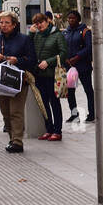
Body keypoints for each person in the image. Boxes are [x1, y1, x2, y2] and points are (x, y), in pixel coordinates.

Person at [0, 12, 36, 153]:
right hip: (1, 81)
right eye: (1, 22)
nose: (3, 25)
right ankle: (11, 137)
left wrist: (18, 60)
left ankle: (17, 141)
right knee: (6, 112)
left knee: (16, 111)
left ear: (14, 24)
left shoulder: (24, 39)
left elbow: (32, 60)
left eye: (7, 23)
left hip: (18, 81)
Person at [30, 12, 67, 142]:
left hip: (52, 74)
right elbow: (30, 48)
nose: (39, 25)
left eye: (41, 22)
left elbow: (63, 53)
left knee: (54, 102)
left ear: (47, 21)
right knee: (43, 103)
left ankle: (57, 131)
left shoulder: (57, 35)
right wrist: (31, 33)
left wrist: (48, 62)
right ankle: (49, 129)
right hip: (40, 74)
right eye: (36, 23)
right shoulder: (37, 35)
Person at [63, 9, 94, 123]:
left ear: (78, 19)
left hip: (83, 66)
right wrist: (65, 58)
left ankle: (92, 113)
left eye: (73, 18)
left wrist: (77, 57)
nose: (70, 20)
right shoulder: (65, 32)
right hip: (70, 67)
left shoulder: (85, 31)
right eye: (69, 18)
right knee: (70, 91)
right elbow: (63, 47)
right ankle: (74, 114)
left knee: (88, 89)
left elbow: (89, 47)